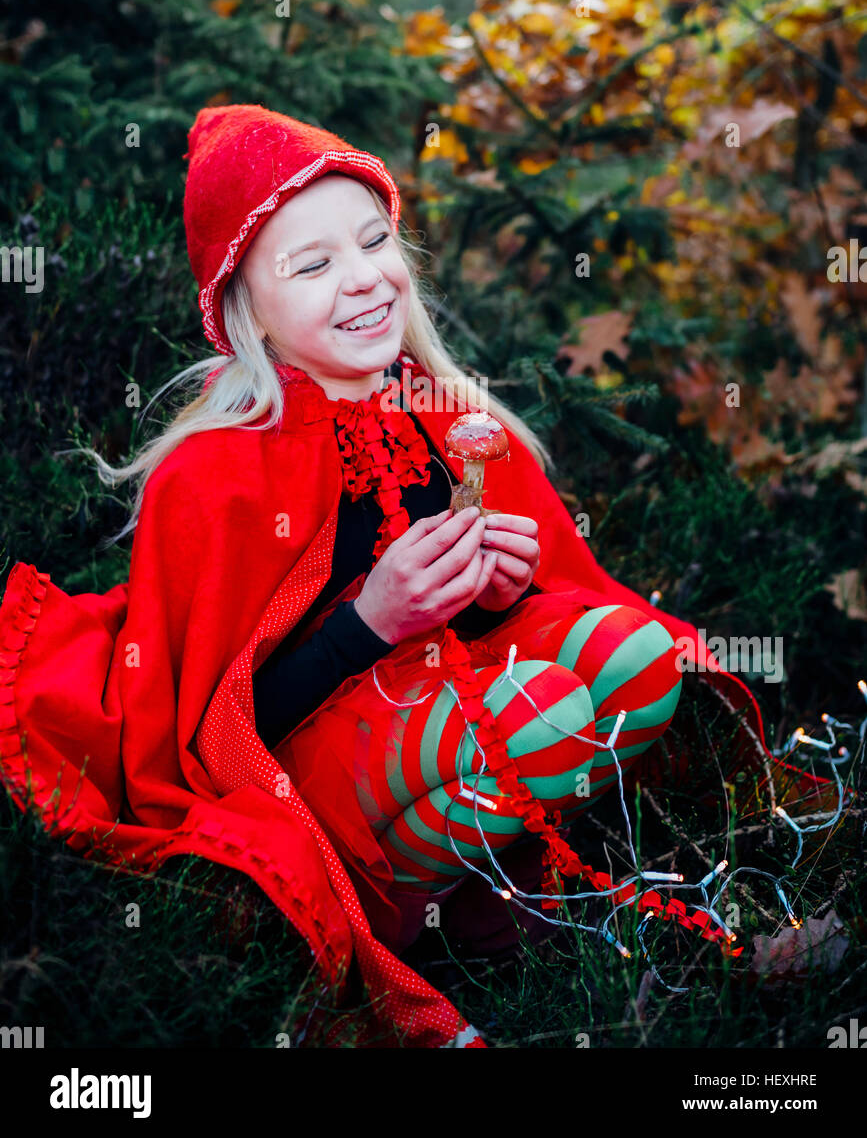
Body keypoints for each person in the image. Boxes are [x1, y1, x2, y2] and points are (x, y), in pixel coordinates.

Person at [0, 104, 836, 1049]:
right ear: (245, 308)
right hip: (309, 771)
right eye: (311, 266)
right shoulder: (214, 476)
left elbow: (549, 600)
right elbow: (207, 740)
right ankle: (414, 924)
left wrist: (499, 590)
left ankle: (491, 887)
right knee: (551, 712)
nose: (363, 280)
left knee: (640, 658)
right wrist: (369, 620)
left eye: (374, 241)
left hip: (448, 714)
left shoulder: (439, 412)